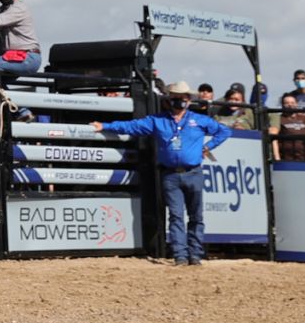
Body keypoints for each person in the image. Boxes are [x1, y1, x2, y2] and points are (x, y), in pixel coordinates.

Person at [91, 81, 230, 266]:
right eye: (175, 98)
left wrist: (208, 146)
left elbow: (224, 131)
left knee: (196, 216)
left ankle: (195, 254)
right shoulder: (158, 121)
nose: (178, 101)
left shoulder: (199, 120)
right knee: (176, 215)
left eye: (181, 98)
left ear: (188, 100)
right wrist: (106, 126)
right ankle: (181, 255)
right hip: (171, 174)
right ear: (169, 100)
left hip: (193, 172)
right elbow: (132, 126)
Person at [271, 94, 305, 162]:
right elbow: (273, 138)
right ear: (282, 105)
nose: (290, 105)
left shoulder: (304, 118)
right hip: (287, 159)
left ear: (296, 104)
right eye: (287, 103)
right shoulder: (279, 119)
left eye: (292, 103)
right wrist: (277, 158)